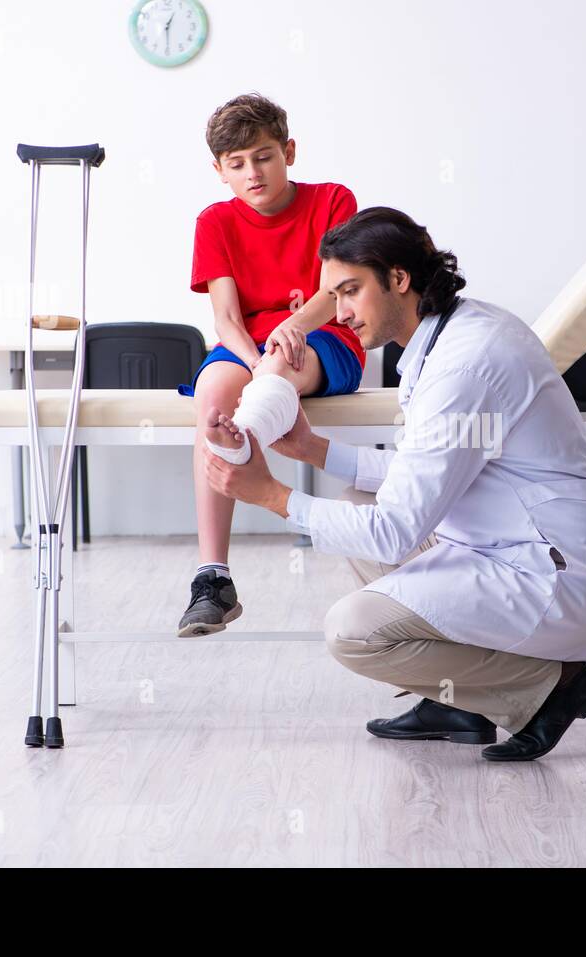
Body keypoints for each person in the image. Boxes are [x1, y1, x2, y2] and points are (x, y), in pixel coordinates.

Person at [204, 207, 586, 762]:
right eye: (333, 297)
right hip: (512, 541)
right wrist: (313, 450)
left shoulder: (464, 367)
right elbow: (424, 472)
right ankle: (455, 700)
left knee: (352, 630)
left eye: (350, 291)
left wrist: (271, 496)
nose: (341, 314)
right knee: (356, 499)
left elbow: (395, 532)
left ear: (399, 279)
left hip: (555, 571)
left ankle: (548, 686)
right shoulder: (454, 334)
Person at [174, 93, 364, 637]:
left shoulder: (332, 201)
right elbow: (227, 319)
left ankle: (246, 444)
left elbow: (338, 290)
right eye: (237, 164)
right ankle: (213, 577)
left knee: (281, 361)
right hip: (252, 349)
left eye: (263, 156)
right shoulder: (215, 221)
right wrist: (258, 365)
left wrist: (293, 330)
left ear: (289, 151)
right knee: (212, 391)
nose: (252, 172)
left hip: (324, 339)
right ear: (220, 171)